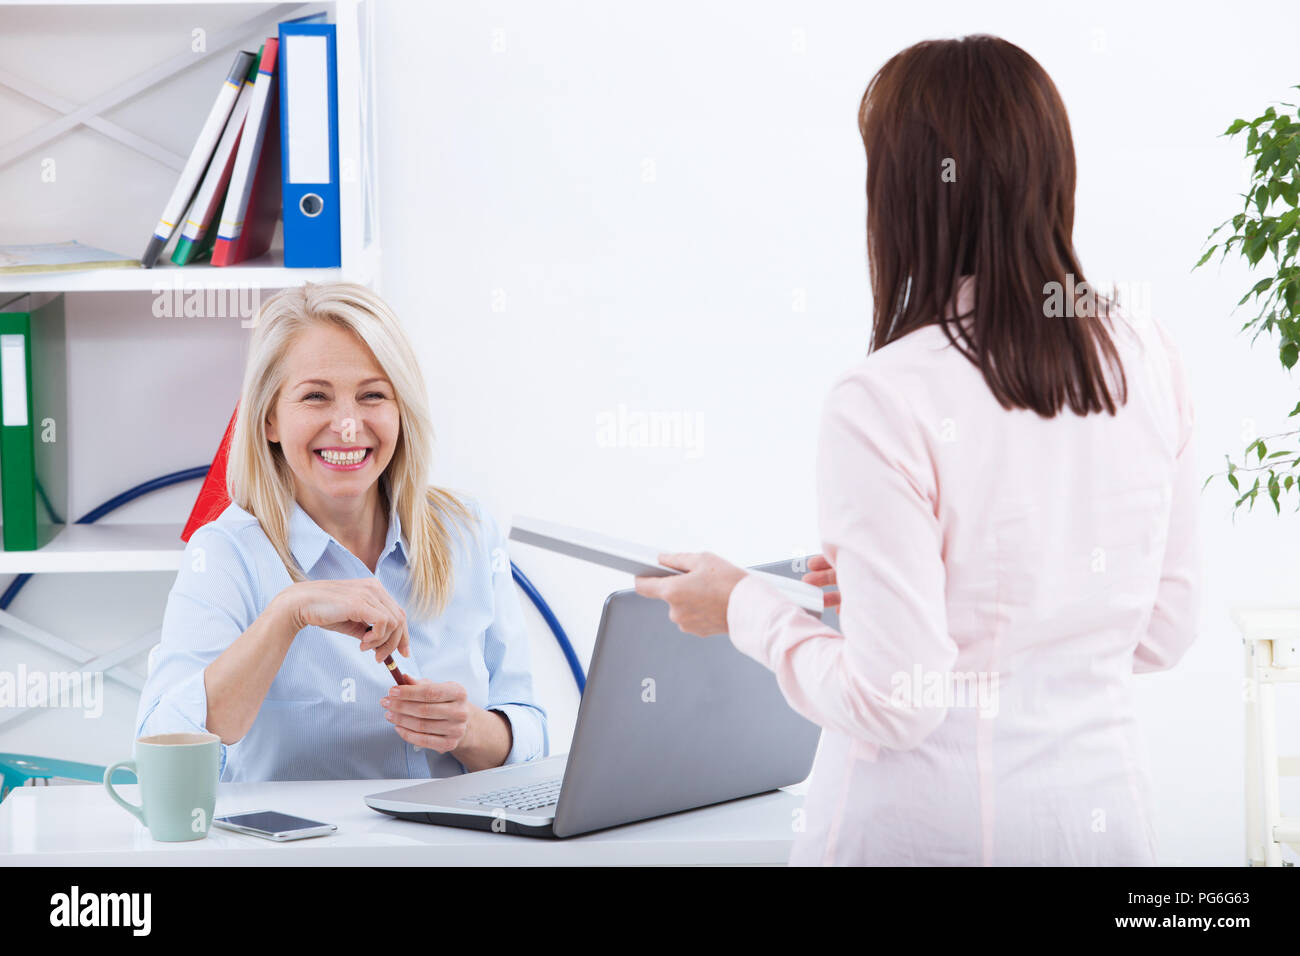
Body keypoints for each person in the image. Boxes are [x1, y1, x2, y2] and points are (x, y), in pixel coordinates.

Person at [635, 35, 1198, 865]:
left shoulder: (884, 397)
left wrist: (743, 608)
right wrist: (886, 601)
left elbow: (898, 701)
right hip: (1102, 831)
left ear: (902, 193)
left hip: (924, 837)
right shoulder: (1146, 358)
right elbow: (1162, 632)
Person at [135, 282, 548, 781]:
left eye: (373, 395)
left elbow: (531, 733)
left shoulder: (469, 532)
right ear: (269, 419)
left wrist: (469, 730)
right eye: (315, 397)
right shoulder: (226, 554)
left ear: (401, 410)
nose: (349, 426)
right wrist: (288, 614)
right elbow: (161, 746)